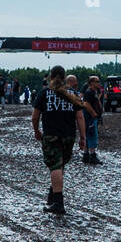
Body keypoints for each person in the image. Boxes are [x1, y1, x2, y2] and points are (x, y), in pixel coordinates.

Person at [32, 65, 88, 215]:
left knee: (55, 166)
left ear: (50, 77)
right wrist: (83, 137)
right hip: (69, 135)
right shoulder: (73, 93)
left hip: (51, 135)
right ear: (64, 78)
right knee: (60, 165)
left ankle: (58, 203)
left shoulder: (44, 93)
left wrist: (37, 130)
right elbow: (80, 117)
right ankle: (52, 194)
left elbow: (35, 116)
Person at [82, 75, 104, 165]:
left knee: (88, 134)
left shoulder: (93, 91)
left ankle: (86, 155)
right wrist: (93, 114)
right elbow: (86, 104)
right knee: (92, 135)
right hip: (90, 117)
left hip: (90, 117)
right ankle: (92, 155)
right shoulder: (89, 92)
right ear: (92, 83)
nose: (99, 83)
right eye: (97, 81)